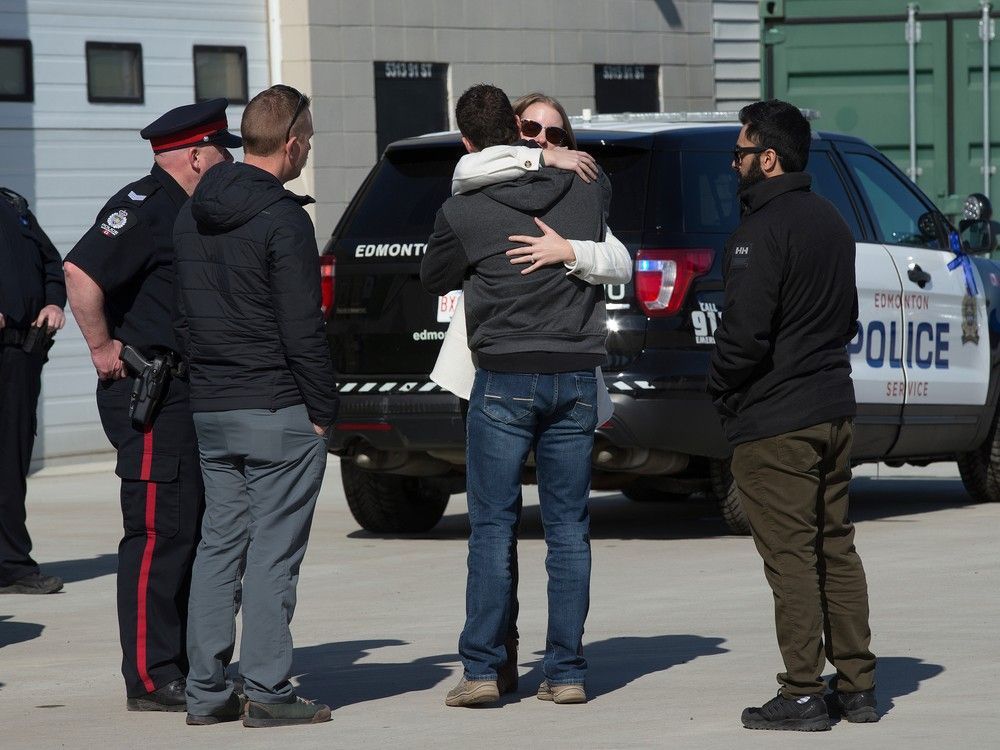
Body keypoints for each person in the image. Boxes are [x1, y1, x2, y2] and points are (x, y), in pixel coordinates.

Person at [430, 92, 631, 696]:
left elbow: (433, 275)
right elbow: (612, 248)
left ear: (467, 141)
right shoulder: (591, 188)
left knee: (492, 526)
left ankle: (481, 670)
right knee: (568, 527)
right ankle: (566, 673)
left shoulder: (463, 208)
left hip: (504, 377)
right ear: (519, 131)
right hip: (574, 372)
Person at [63, 98, 240, 711]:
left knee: (191, 532)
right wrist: (101, 345)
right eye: (222, 150)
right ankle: (149, 674)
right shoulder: (140, 206)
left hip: (188, 393)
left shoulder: (188, 208)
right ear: (195, 154)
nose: (227, 160)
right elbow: (80, 273)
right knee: (159, 536)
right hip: (151, 394)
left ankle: (188, 663)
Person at [707, 99, 877, 731]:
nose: (734, 164)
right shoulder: (832, 221)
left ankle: (803, 692)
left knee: (792, 558)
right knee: (835, 547)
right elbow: (849, 319)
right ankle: (858, 686)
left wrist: (719, 386)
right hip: (833, 411)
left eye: (740, 152)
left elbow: (744, 336)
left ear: (768, 159)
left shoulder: (761, 231)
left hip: (777, 421)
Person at [173, 84, 338, 728]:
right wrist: (324, 410)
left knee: (219, 546)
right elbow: (304, 328)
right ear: (293, 143)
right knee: (272, 553)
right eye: (309, 143)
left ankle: (207, 690)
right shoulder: (284, 219)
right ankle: (267, 691)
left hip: (213, 407)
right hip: (276, 407)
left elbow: (186, 319)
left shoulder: (190, 212)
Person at [0, 187, 65, 595]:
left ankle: (10, 564)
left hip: (21, 353)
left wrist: (54, 302)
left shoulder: (12, 205)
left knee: (11, 458)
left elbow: (51, 262)